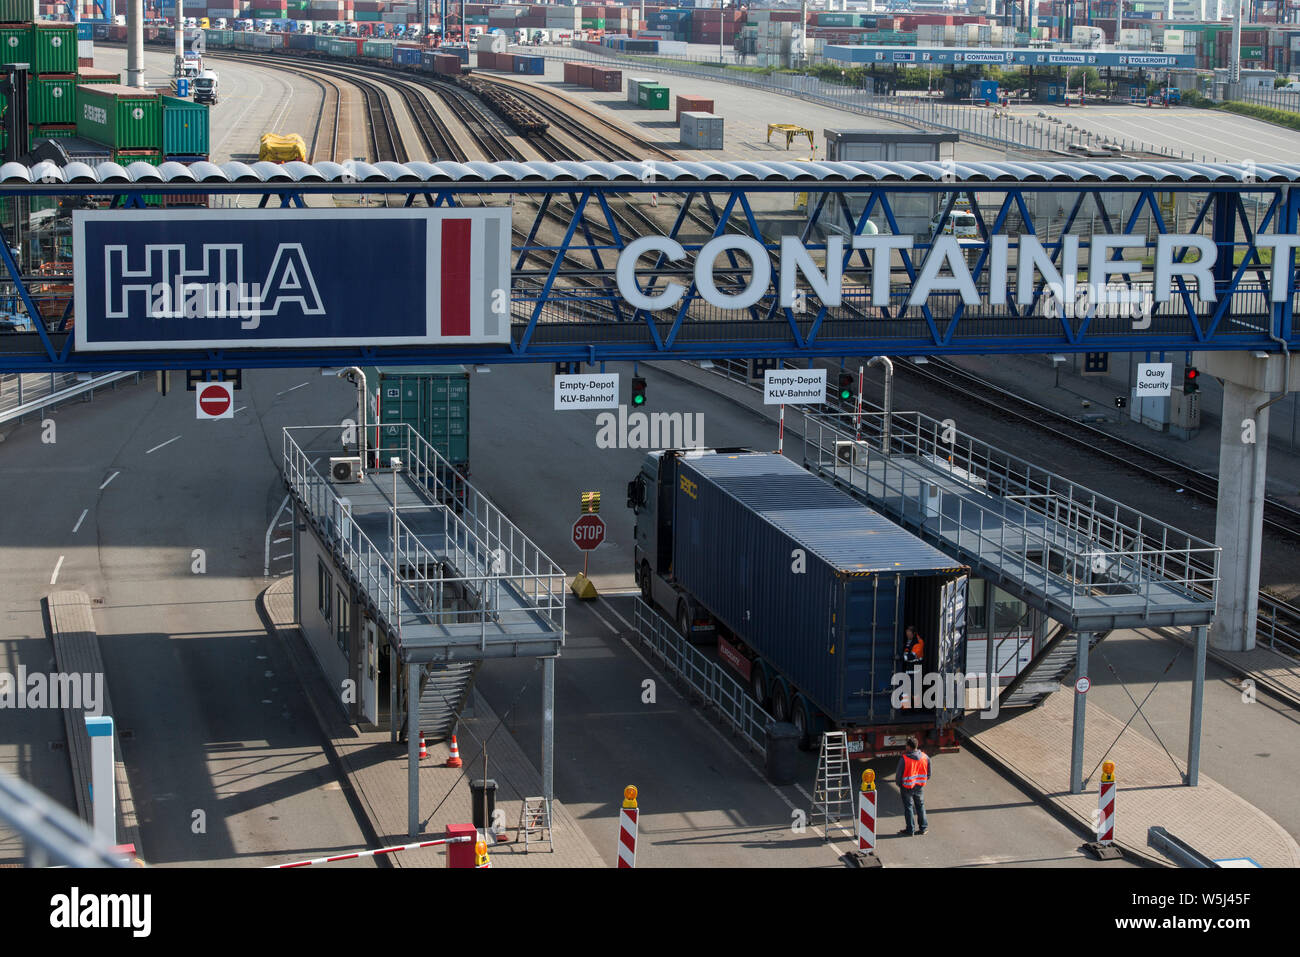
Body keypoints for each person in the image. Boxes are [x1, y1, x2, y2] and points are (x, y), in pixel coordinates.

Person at [895, 737, 931, 836]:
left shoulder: (904, 759)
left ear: (909, 747)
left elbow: (899, 775)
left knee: (908, 807)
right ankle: (923, 828)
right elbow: (928, 774)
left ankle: (910, 829)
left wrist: (899, 784)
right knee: (920, 806)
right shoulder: (925, 757)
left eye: (906, 745)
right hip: (919, 786)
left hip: (906, 787)